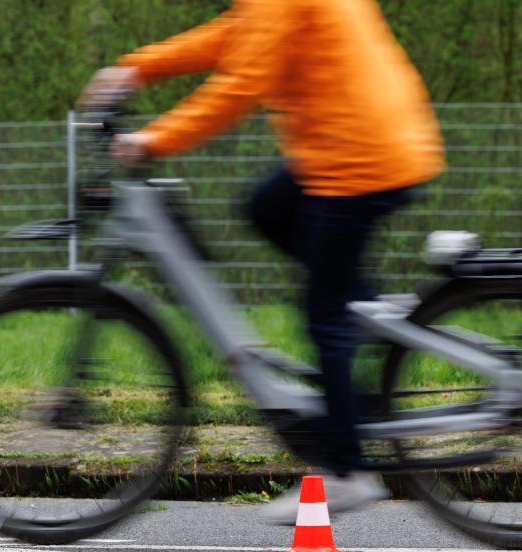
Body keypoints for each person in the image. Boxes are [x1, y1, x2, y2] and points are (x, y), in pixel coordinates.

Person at [79, 0, 445, 523]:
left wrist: (155, 139)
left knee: (323, 312)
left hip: (357, 156)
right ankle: (366, 304)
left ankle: (345, 470)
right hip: (353, 145)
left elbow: (245, 81)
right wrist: (139, 67)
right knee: (266, 209)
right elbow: (235, 36)